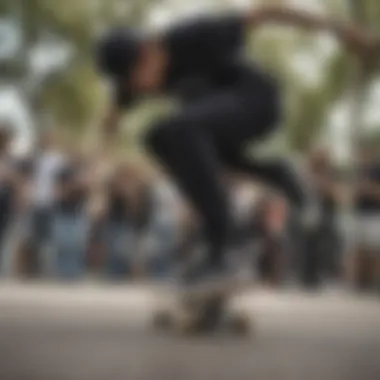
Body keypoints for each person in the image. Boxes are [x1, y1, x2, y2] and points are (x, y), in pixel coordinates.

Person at [95, 6, 376, 285]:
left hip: (256, 101)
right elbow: (110, 118)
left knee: (184, 127)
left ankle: (227, 241)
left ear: (148, 50)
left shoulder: (191, 36)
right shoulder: (132, 82)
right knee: (158, 136)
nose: (141, 91)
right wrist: (105, 163)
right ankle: (275, 175)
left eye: (137, 81)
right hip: (214, 126)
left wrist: (338, 29)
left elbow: (268, 11)